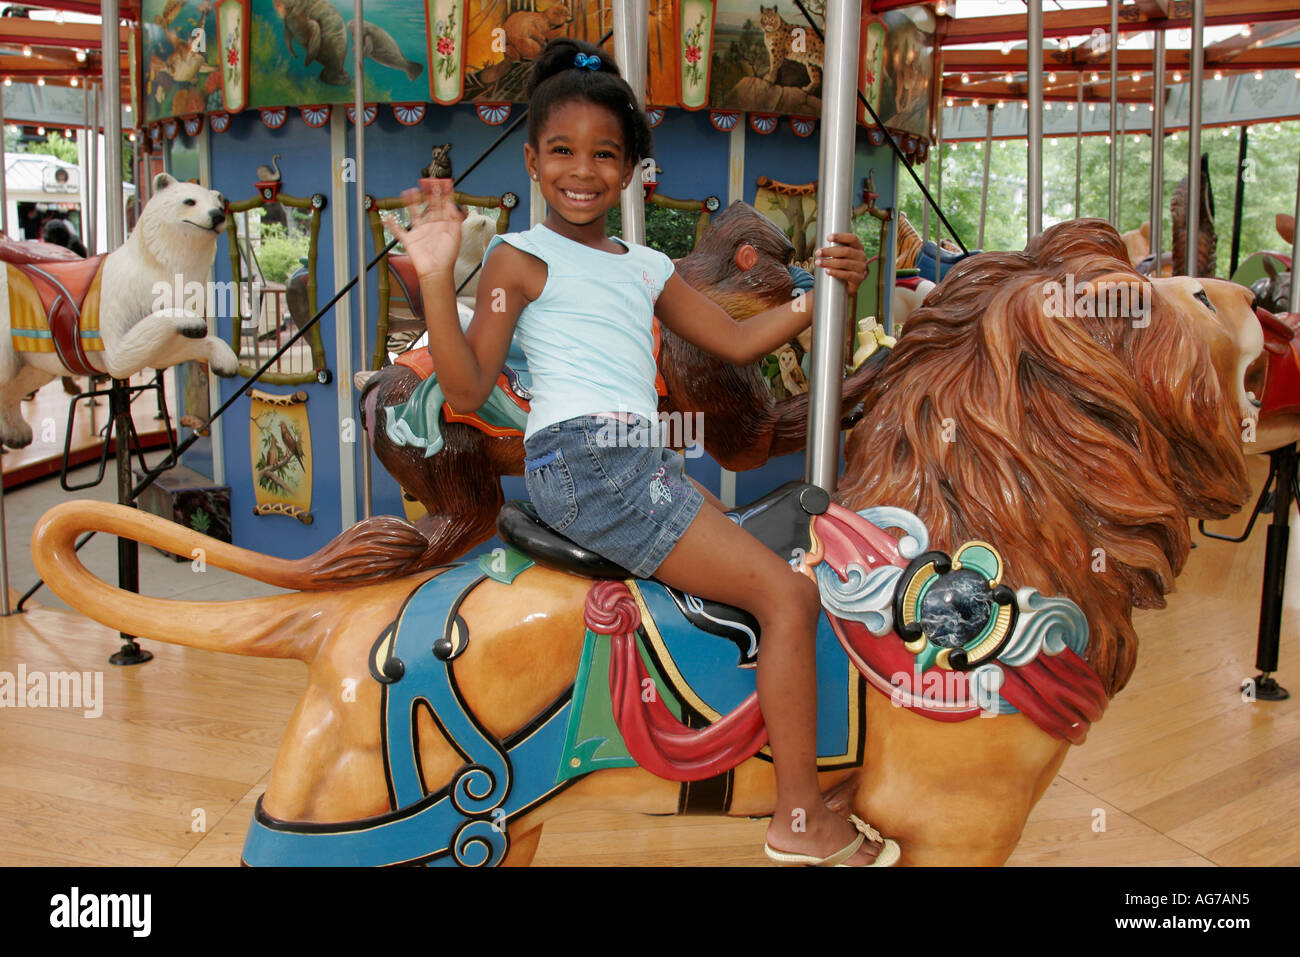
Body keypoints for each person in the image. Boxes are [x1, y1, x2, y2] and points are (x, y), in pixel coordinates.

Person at [383, 37, 898, 868]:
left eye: (603, 155)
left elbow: (733, 340)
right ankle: (799, 818)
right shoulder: (520, 259)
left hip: (640, 466)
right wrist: (440, 277)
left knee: (781, 579)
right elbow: (471, 388)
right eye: (561, 152)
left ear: (629, 172)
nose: (581, 171)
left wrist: (821, 293)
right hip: (589, 468)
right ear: (531, 159)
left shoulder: (647, 265)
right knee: (788, 599)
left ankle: (767, 763)